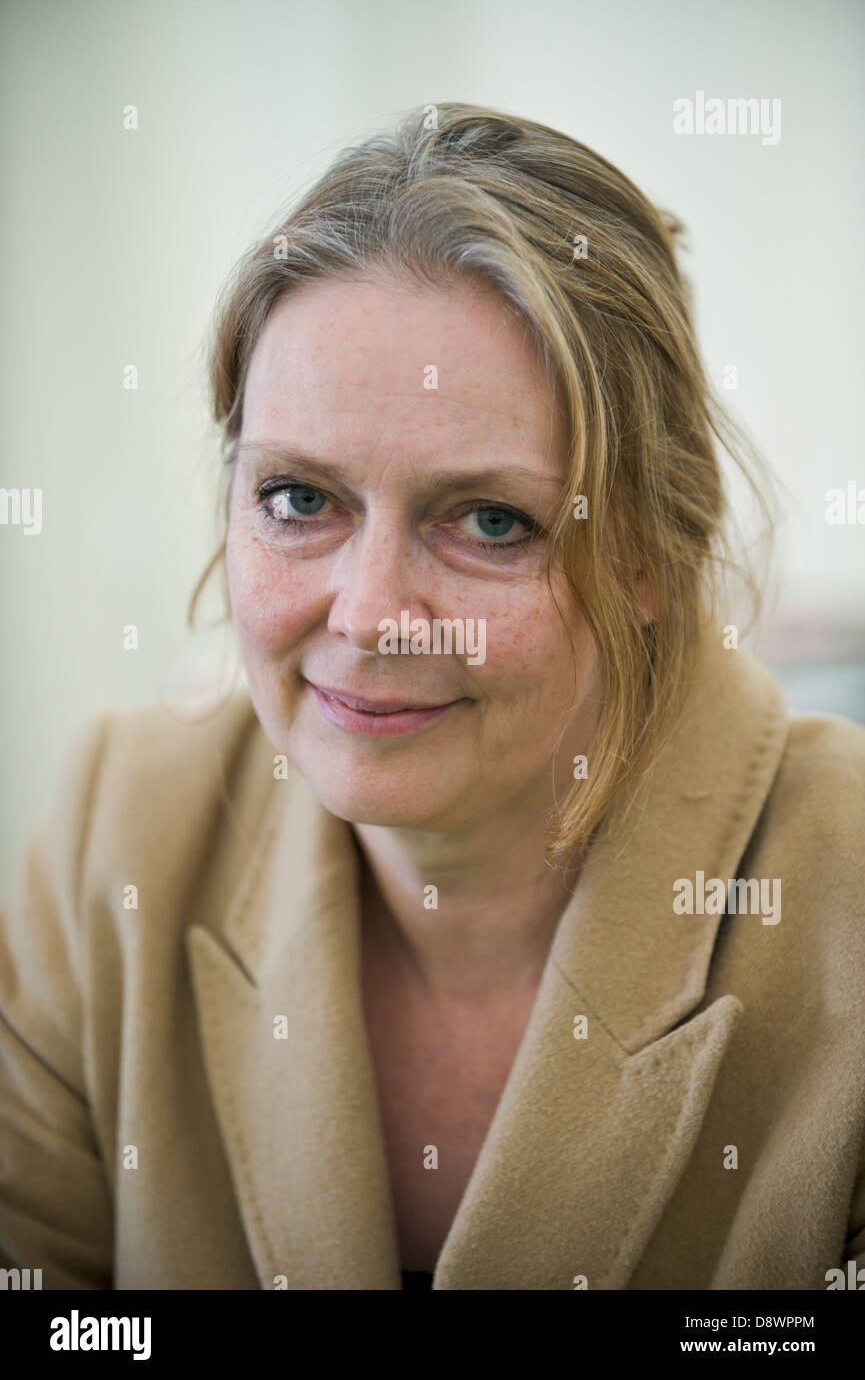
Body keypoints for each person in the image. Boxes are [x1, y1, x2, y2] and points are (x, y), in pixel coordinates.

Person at [1, 102, 863, 1292]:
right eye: (300, 499)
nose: (367, 615)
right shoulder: (121, 823)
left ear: (646, 553)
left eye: (490, 521)